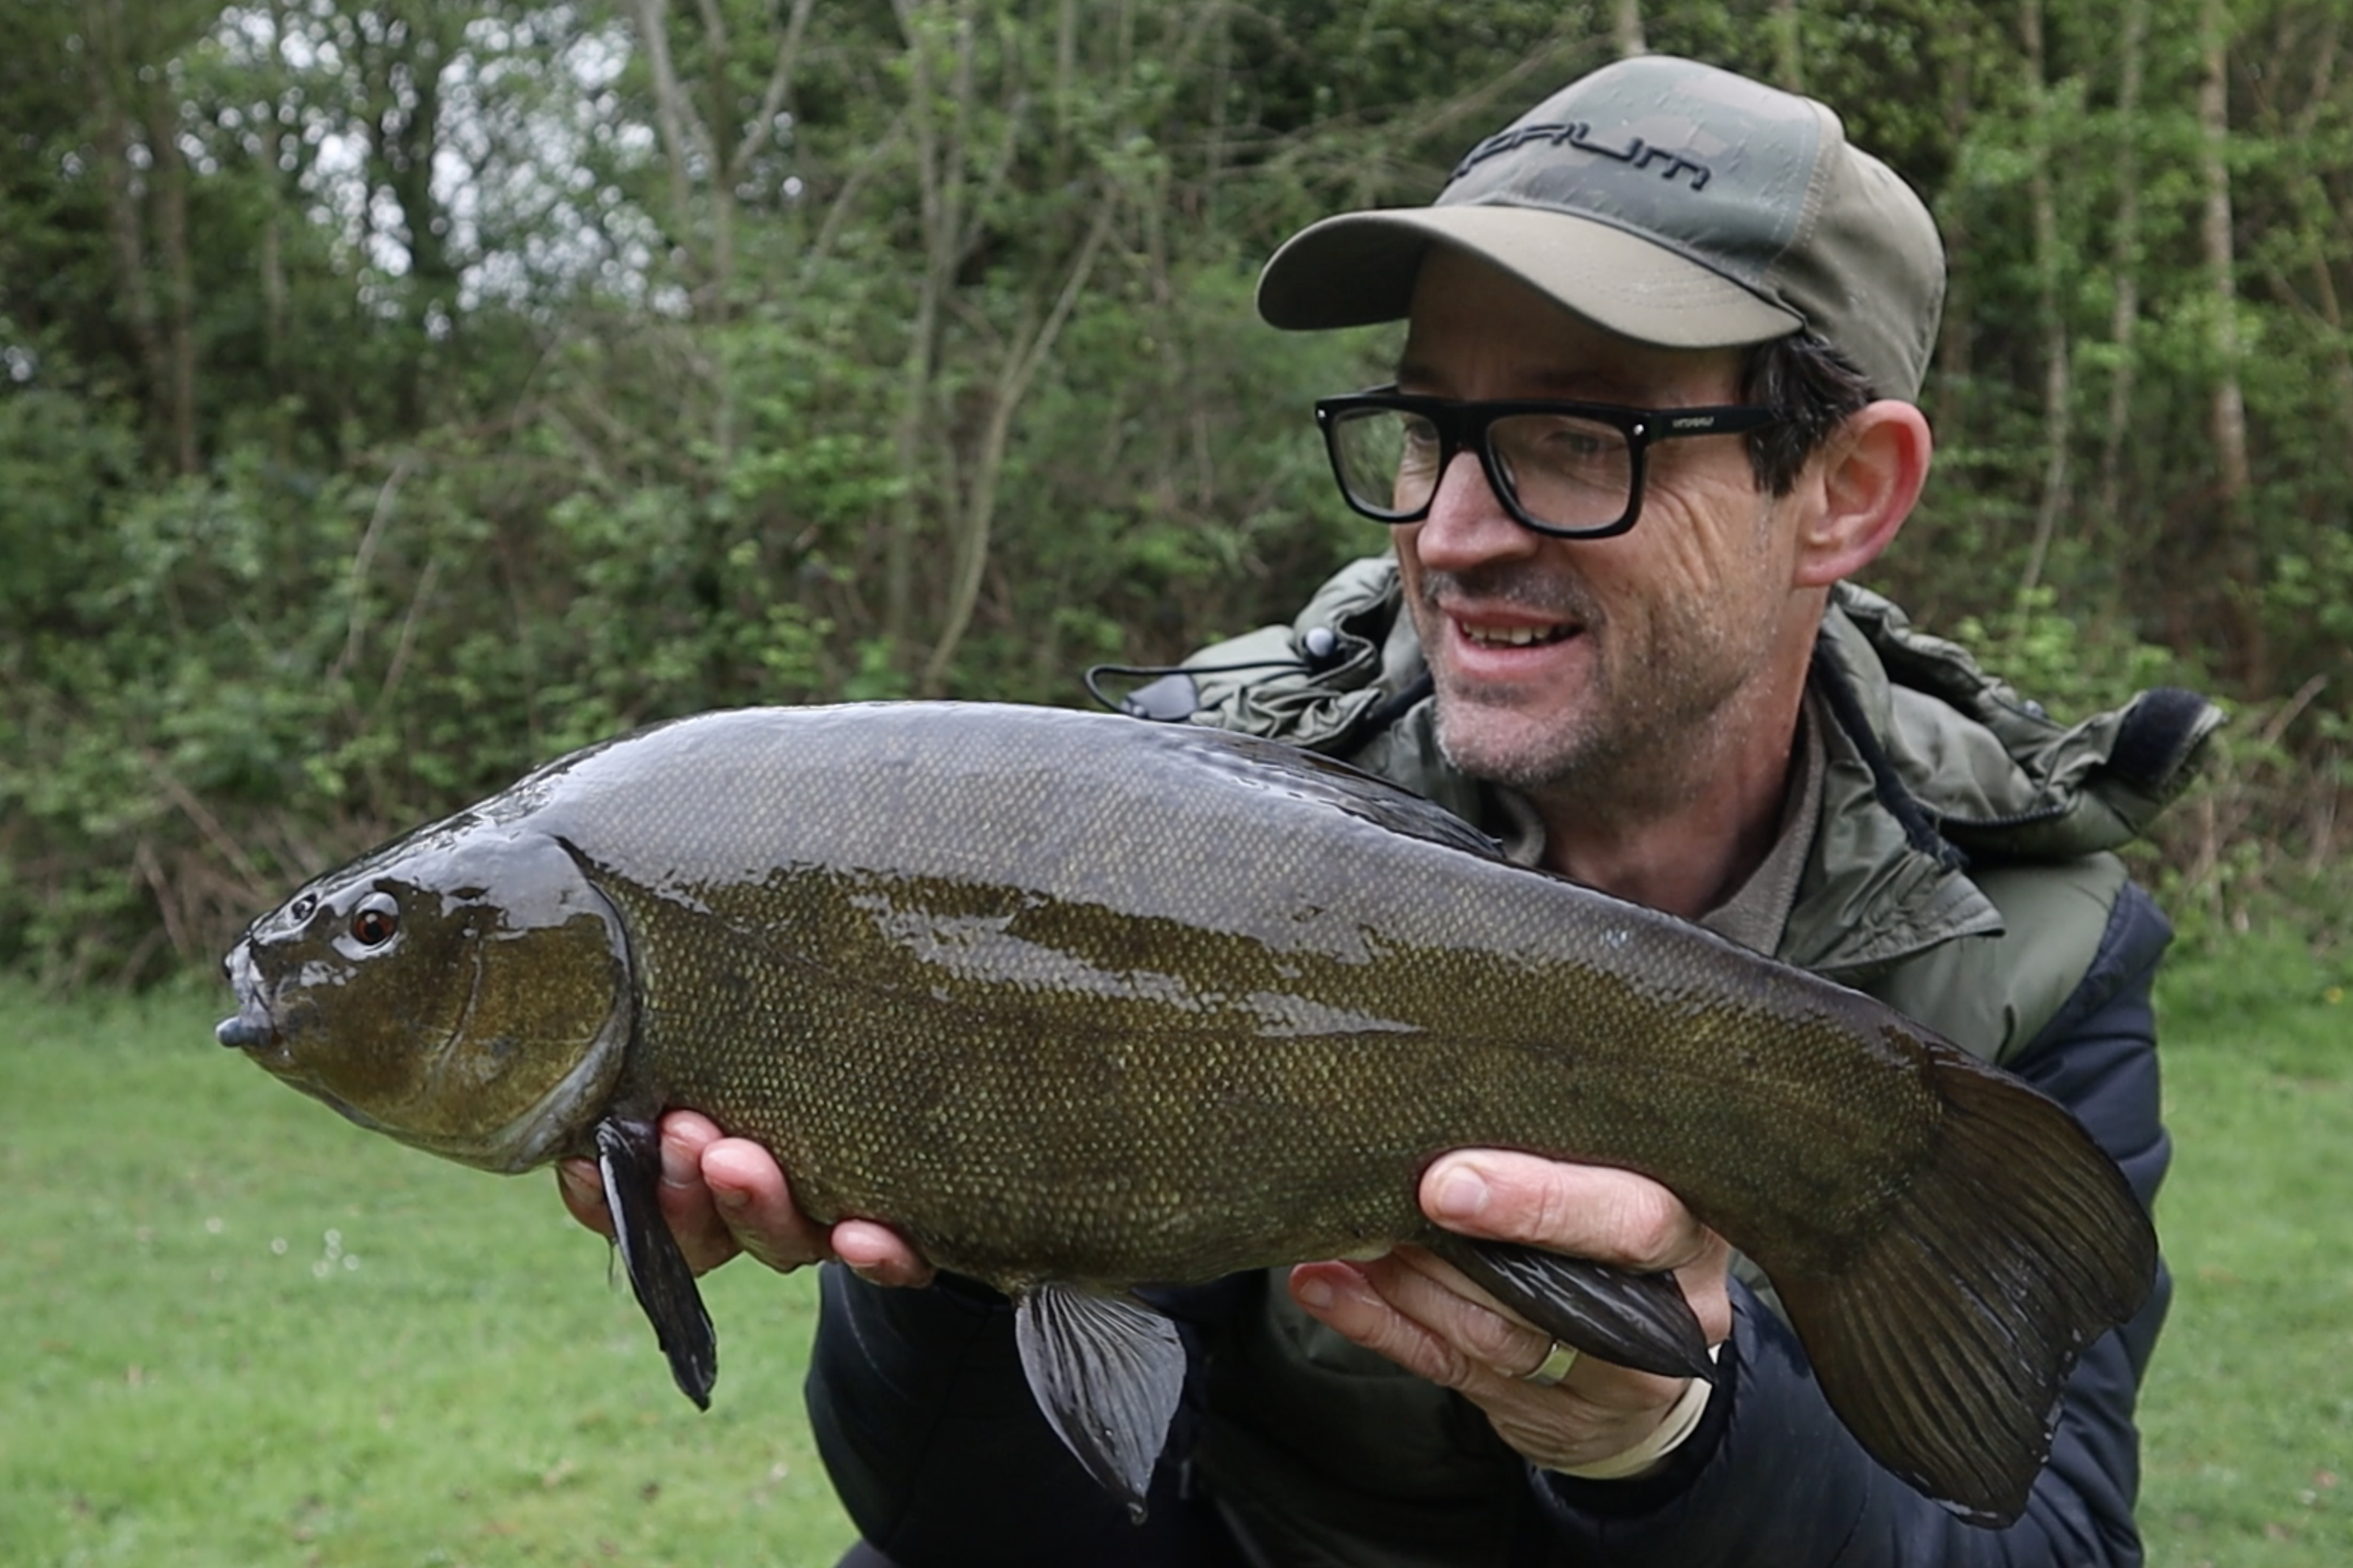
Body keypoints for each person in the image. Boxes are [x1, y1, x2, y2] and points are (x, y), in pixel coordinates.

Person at [558, 54, 2217, 1565]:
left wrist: (1674, 1443)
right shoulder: (1164, 817)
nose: (1452, 529)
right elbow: (994, 1537)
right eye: (1426, 428)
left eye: (1575, 437)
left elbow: (2052, 1544)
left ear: (1847, 491)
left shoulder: (2031, 950)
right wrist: (950, 1248)